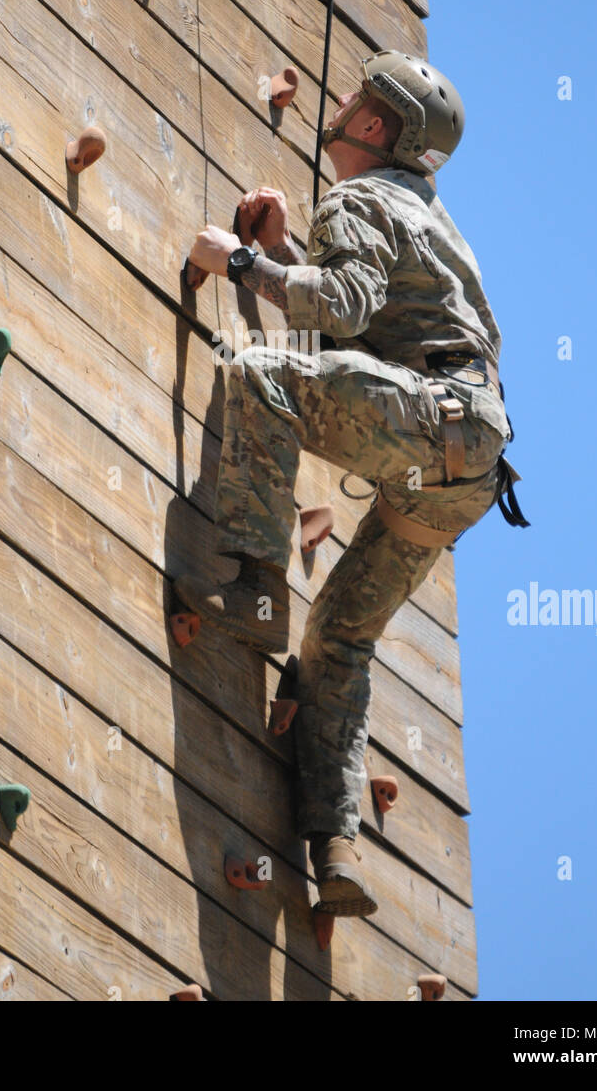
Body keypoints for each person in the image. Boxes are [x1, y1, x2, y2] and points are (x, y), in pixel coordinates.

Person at [176, 50, 527, 917]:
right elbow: (374, 328)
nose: (338, 103)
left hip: (426, 418)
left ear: (372, 126)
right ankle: (336, 847)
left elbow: (341, 307)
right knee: (338, 641)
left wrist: (242, 265)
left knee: (260, 374)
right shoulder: (422, 213)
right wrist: (285, 249)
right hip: (465, 468)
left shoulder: (363, 197)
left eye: (355, 97)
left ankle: (258, 591)